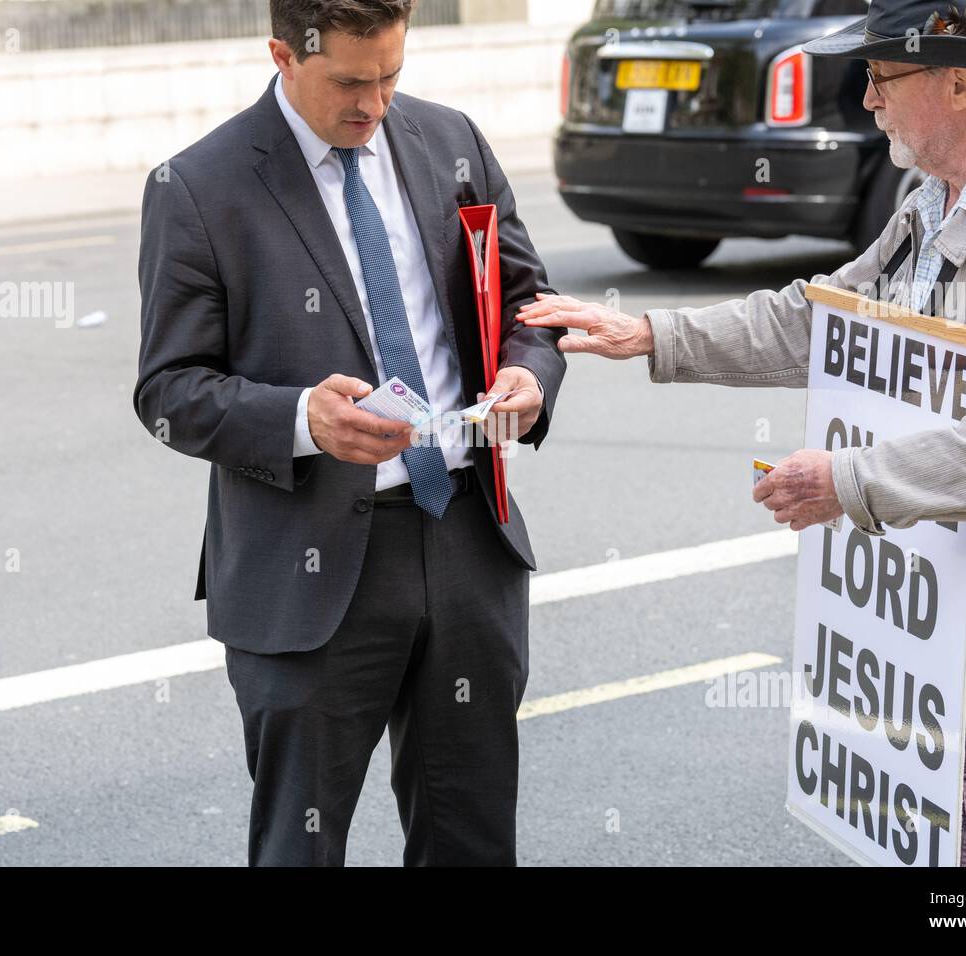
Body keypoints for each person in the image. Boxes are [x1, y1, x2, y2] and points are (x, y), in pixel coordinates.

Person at [519, 0, 966, 866]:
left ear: (959, 83)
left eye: (880, 77)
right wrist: (652, 334)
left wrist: (850, 481)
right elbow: (826, 318)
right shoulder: (936, 199)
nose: (865, 99)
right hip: (937, 648)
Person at [133, 0, 566, 865]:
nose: (374, 103)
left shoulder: (452, 142)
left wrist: (529, 373)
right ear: (284, 55)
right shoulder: (199, 187)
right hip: (308, 571)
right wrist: (301, 420)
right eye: (349, 83)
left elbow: (528, 302)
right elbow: (168, 391)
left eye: (391, 76)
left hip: (467, 541)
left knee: (473, 837)